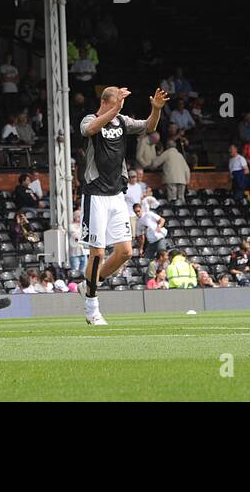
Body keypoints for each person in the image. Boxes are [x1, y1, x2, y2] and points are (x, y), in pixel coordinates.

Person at [77, 85, 169, 325]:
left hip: (117, 194)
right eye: (117, 103)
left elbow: (149, 126)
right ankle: (92, 308)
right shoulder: (91, 118)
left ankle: (90, 283)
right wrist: (116, 108)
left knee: (125, 252)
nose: (120, 108)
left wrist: (155, 109)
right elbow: (90, 130)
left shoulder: (121, 121)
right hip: (95, 194)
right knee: (97, 253)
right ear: (107, 101)